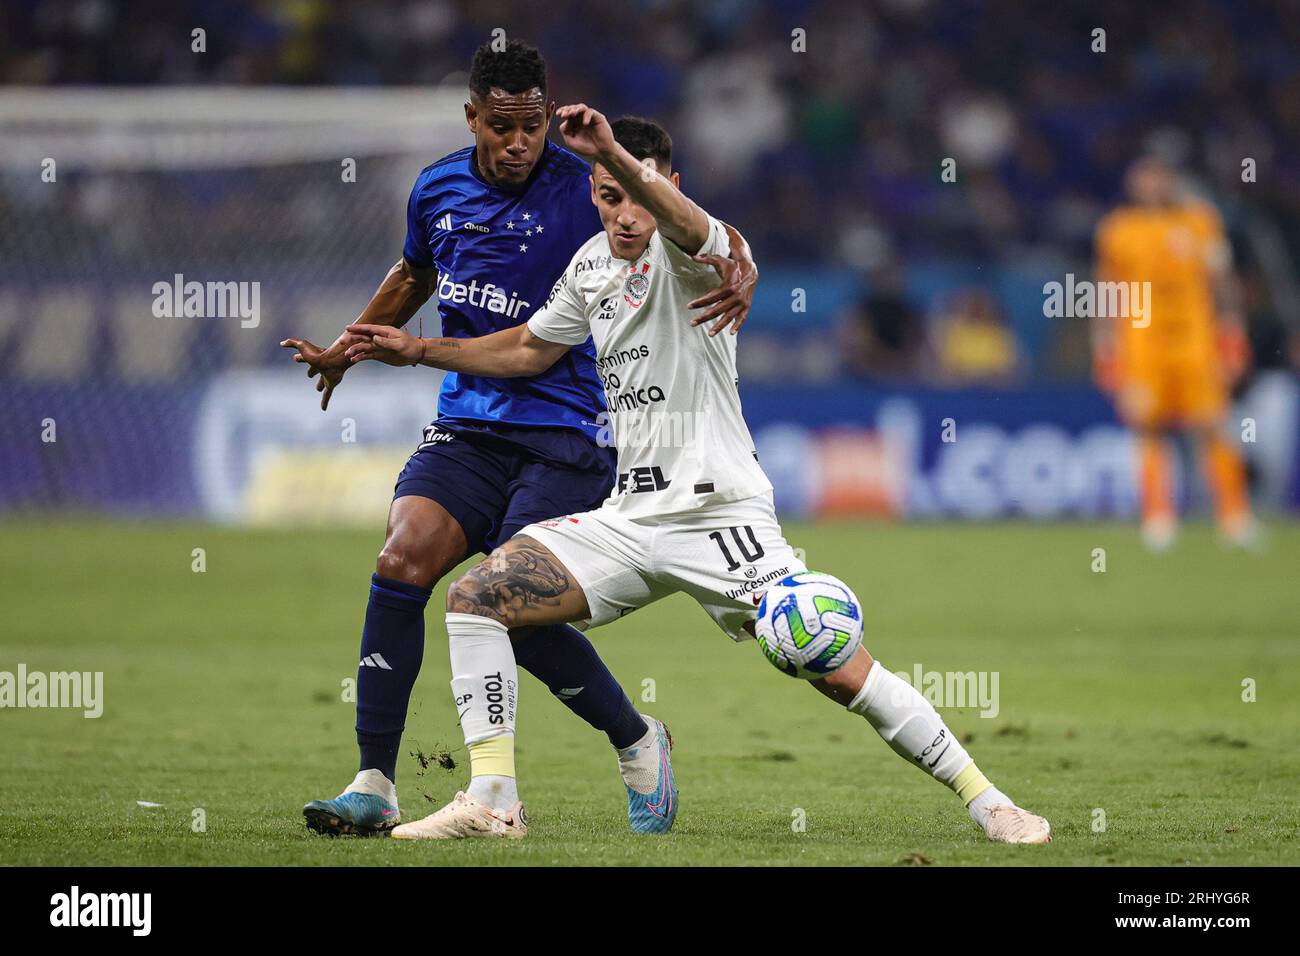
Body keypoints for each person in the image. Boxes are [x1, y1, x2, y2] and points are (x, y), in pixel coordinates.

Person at [344, 107, 1051, 845]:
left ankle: (989, 800)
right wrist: (416, 349)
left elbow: (686, 226)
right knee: (476, 597)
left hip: (723, 519)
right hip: (630, 517)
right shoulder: (588, 267)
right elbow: (527, 349)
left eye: (637, 194)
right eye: (608, 194)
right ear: (592, 194)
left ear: (666, 186)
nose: (624, 214)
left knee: (834, 664)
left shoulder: (702, 252)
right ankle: (493, 801)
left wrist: (616, 154)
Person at [279, 40, 758, 837]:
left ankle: (635, 739)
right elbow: (413, 275)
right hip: (468, 421)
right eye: (501, 127)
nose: (518, 143)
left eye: (531, 126)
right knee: (402, 558)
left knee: (514, 602)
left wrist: (739, 259)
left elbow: (685, 223)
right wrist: (352, 344)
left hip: (571, 430)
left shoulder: (588, 188)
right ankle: (374, 782)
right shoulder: (435, 188)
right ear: (473, 117)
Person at [1093, 155, 1256, 550]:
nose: (1152, 185)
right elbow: (1106, 290)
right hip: (1142, 343)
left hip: (1194, 341)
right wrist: (1104, 345)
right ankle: (1158, 518)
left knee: (1212, 424)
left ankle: (1234, 517)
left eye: (1158, 177)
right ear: (1133, 184)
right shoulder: (1118, 229)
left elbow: (1223, 282)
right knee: (1147, 428)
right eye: (1144, 178)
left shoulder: (1199, 221)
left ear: (1170, 181)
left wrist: (1233, 334)